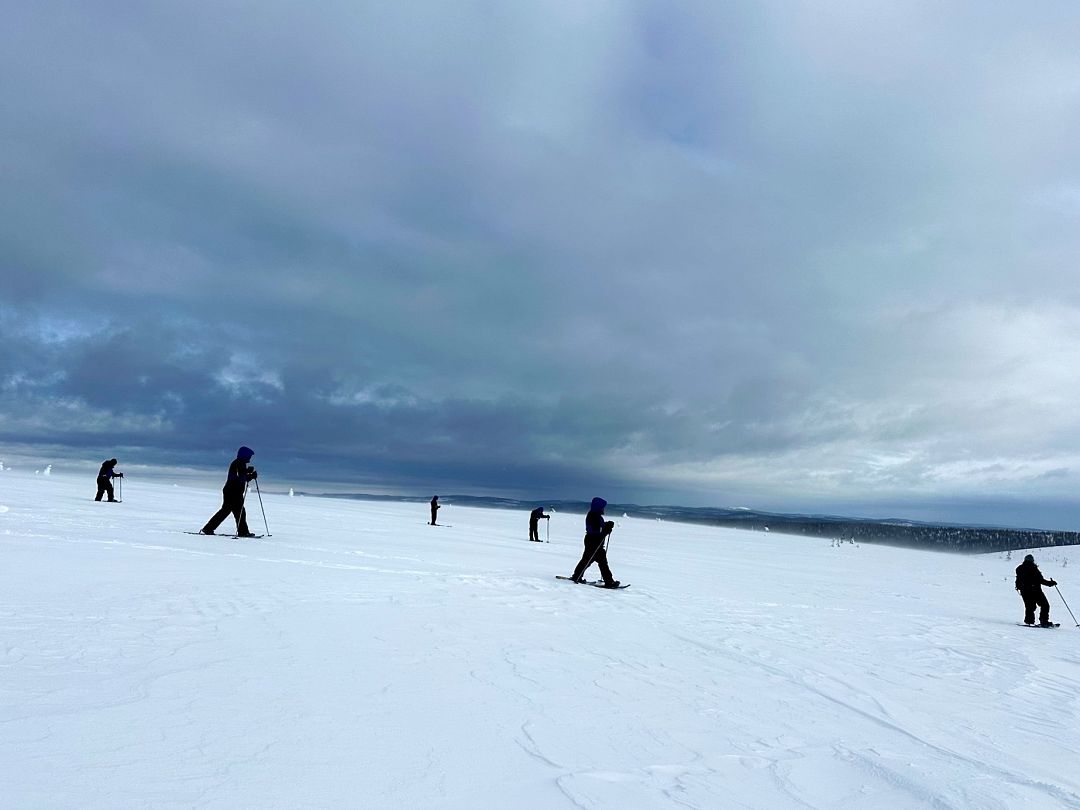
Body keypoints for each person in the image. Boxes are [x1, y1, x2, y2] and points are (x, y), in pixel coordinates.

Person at [200, 446, 258, 537]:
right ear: (245, 455)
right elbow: (240, 478)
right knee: (235, 512)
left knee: (234, 512)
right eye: (249, 456)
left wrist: (248, 472)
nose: (250, 458)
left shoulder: (239, 463)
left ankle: (208, 528)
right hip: (233, 492)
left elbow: (240, 475)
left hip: (233, 492)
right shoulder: (238, 463)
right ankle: (242, 532)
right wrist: (250, 476)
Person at [570, 497, 619, 587]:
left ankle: (577, 576)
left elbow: (600, 527)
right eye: (603, 507)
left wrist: (607, 525)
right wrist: (605, 530)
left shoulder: (595, 515)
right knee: (598, 562)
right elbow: (594, 531)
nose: (604, 509)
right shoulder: (593, 516)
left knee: (588, 560)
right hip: (594, 542)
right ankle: (609, 582)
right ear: (599, 507)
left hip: (594, 542)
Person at [1015, 553, 1057, 626]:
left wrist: (1019, 587)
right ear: (1032, 561)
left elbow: (1019, 579)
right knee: (1045, 605)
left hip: (1025, 591)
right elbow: (1040, 580)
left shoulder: (1019, 568)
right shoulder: (1034, 569)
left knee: (1030, 606)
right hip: (1035, 590)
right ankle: (1044, 621)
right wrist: (1051, 583)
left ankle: (1029, 621)